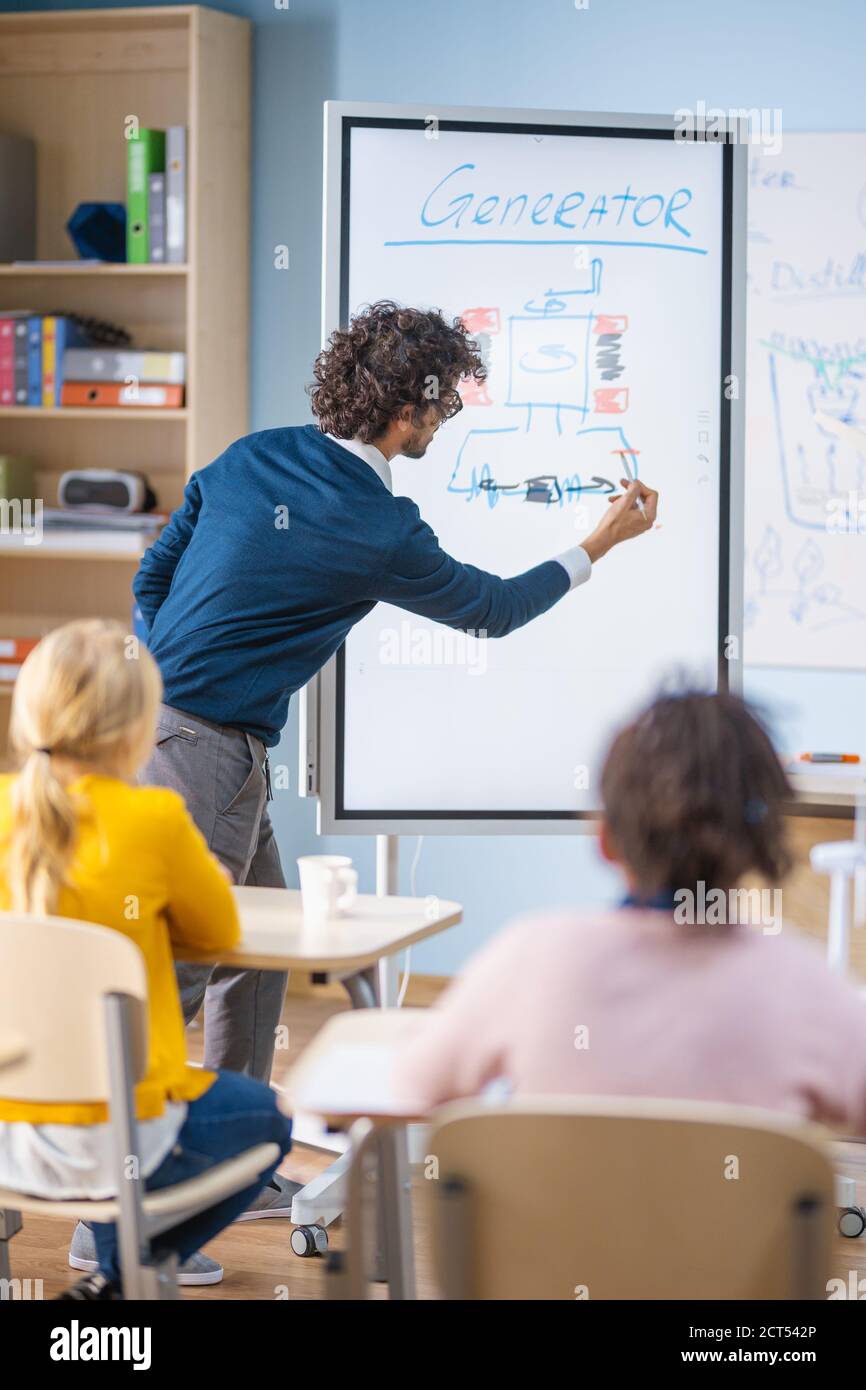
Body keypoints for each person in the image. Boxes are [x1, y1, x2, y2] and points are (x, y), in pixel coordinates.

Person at [132, 299, 658, 1217]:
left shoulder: (251, 456)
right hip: (204, 754)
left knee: (258, 961)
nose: (445, 424)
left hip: (204, 743)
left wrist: (164, 678)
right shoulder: (376, 525)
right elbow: (491, 608)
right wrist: (599, 544)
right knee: (170, 985)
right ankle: (136, 1222)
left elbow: (150, 578)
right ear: (407, 411)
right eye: (444, 407)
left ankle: (238, 1169)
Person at [394, 689, 866, 1137]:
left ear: (605, 839)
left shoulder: (528, 961)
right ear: (764, 842)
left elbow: (407, 1090)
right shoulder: (808, 990)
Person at [0, 621, 292, 1298]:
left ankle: (114, 1271)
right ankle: (125, 1272)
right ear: (138, 731)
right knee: (268, 1118)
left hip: (9, 1130)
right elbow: (219, 933)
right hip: (115, 1142)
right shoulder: (155, 820)